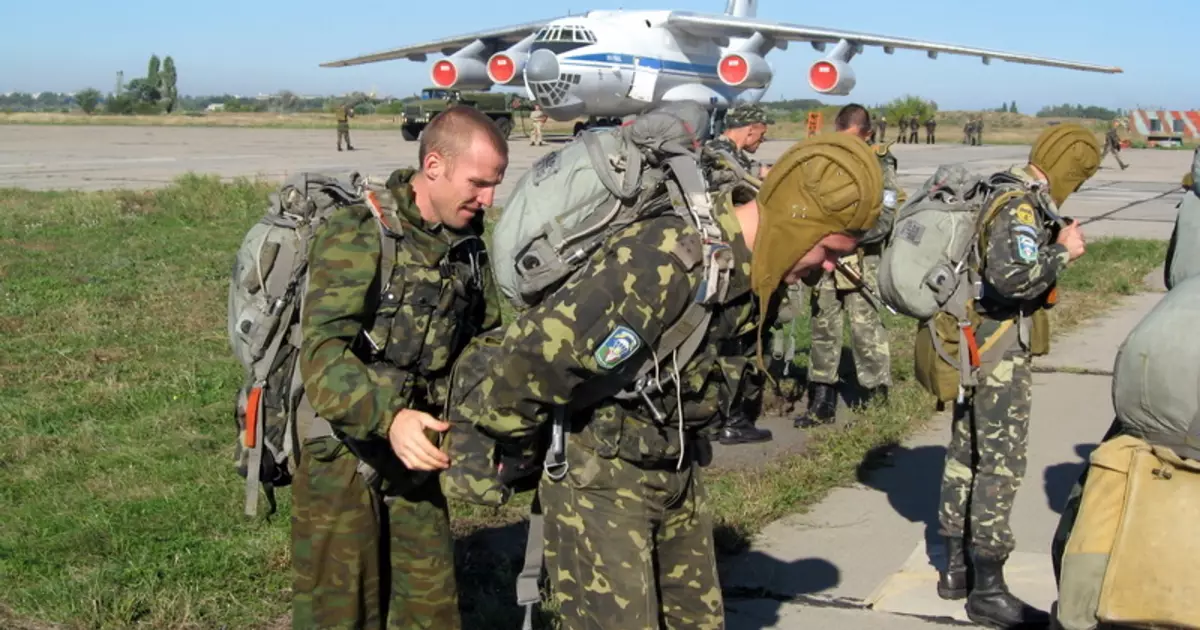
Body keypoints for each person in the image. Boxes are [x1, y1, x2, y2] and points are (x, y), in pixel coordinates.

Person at [448, 130, 885, 629]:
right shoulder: (667, 261)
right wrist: (516, 449)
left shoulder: (746, 269)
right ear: (795, 222)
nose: (827, 267)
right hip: (601, 480)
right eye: (827, 249)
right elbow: (533, 359)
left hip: (675, 467)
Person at [292, 105, 508, 629]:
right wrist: (391, 419)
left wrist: (497, 430)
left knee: (430, 610)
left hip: (417, 452)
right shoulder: (359, 233)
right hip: (343, 456)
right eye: (478, 183)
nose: (489, 199)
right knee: (342, 614)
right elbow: (321, 354)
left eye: (496, 184)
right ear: (433, 166)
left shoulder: (468, 244)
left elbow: (488, 337)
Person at [934, 123, 1098, 629]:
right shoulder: (1021, 206)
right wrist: (1063, 251)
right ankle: (989, 587)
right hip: (998, 351)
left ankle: (956, 569)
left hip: (973, 342)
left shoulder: (997, 190)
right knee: (999, 466)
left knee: (966, 455)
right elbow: (1014, 278)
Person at [793, 104, 902, 427]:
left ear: (868, 135)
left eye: (855, 139)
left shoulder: (880, 162)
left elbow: (886, 214)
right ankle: (822, 397)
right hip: (825, 254)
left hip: (862, 254)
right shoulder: (824, 158)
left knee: (865, 325)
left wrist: (850, 239)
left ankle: (874, 394)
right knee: (823, 323)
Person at [708, 103, 774, 179]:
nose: (762, 140)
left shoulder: (729, 151)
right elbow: (732, 189)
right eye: (761, 134)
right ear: (750, 130)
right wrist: (763, 178)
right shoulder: (723, 154)